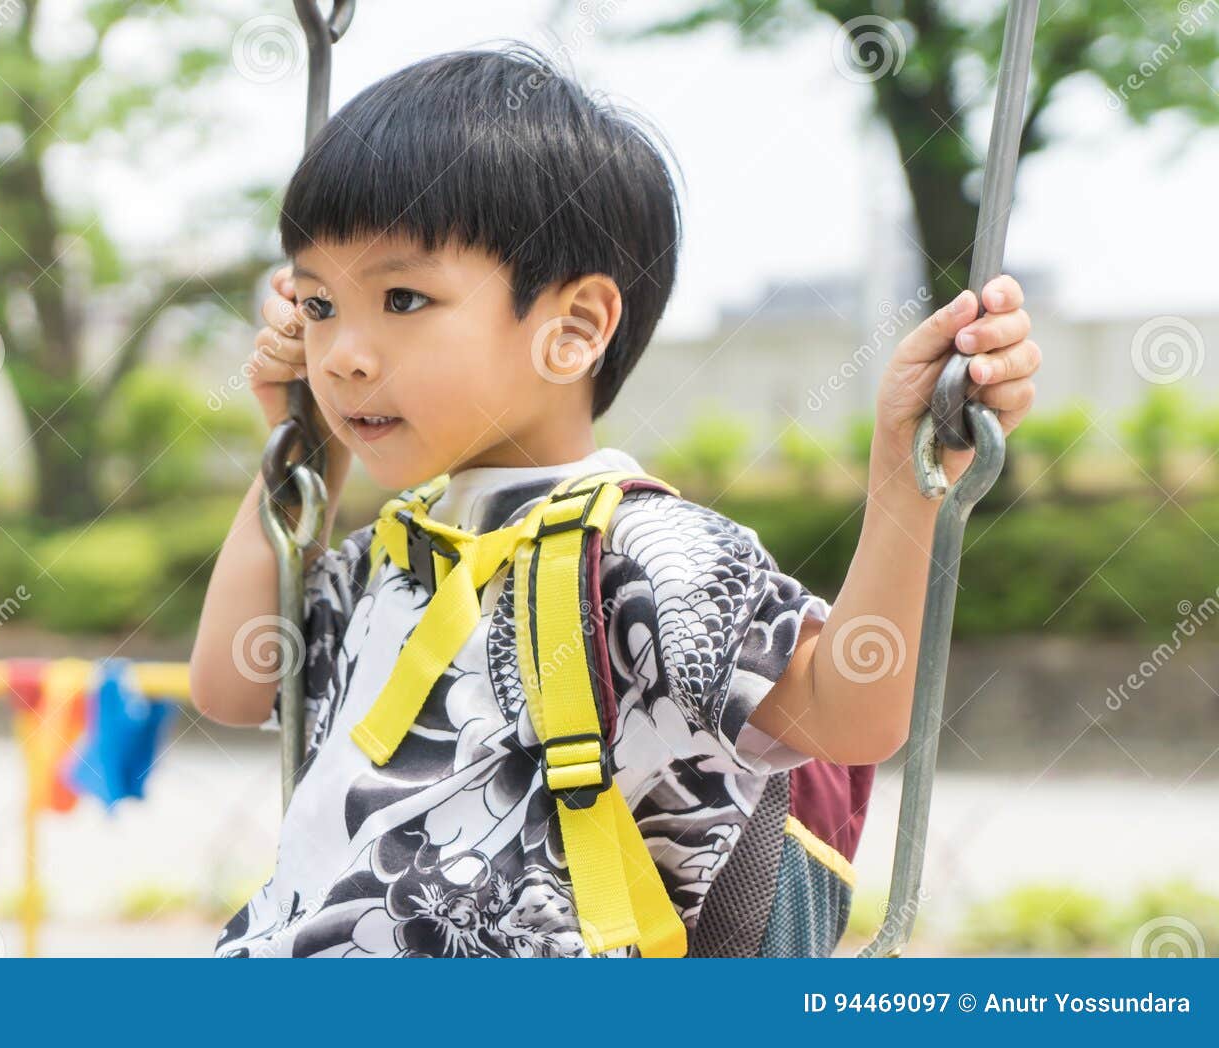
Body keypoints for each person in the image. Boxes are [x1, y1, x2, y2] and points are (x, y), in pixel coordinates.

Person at [189, 44, 1040, 958]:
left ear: (575, 329)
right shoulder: (394, 554)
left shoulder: (645, 553)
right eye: (317, 307)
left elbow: (852, 714)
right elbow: (234, 686)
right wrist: (299, 452)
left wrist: (906, 473)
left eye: (401, 297)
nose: (344, 353)